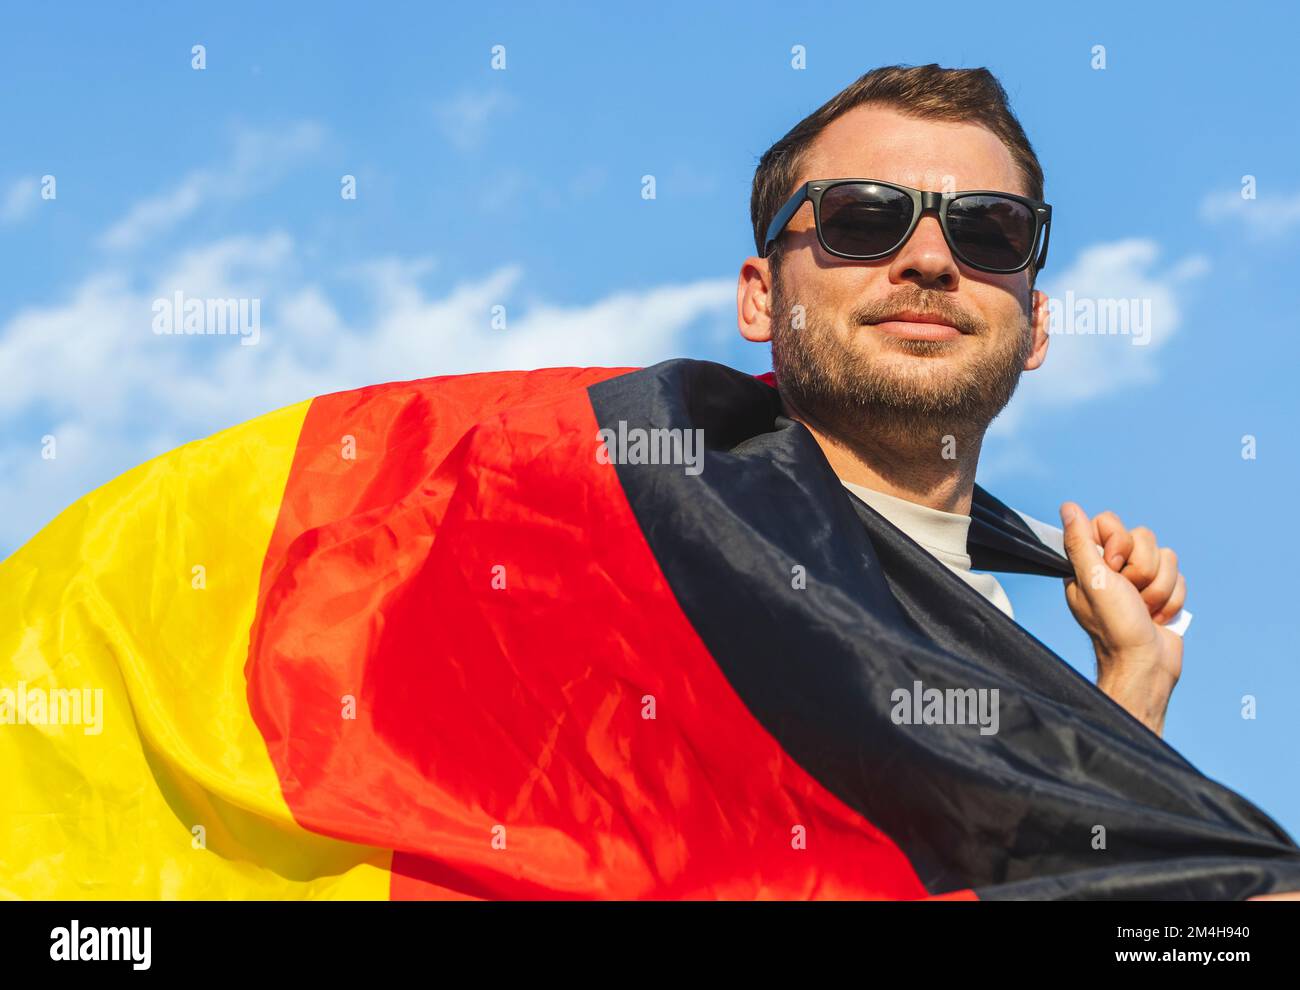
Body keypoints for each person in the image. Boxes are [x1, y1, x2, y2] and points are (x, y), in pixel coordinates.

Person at [737, 63, 1186, 738]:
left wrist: (1135, 684)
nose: (930, 259)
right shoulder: (658, 559)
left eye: (985, 230)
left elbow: (1024, 845)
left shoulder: (1011, 676)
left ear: (1034, 326)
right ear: (761, 297)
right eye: (861, 217)